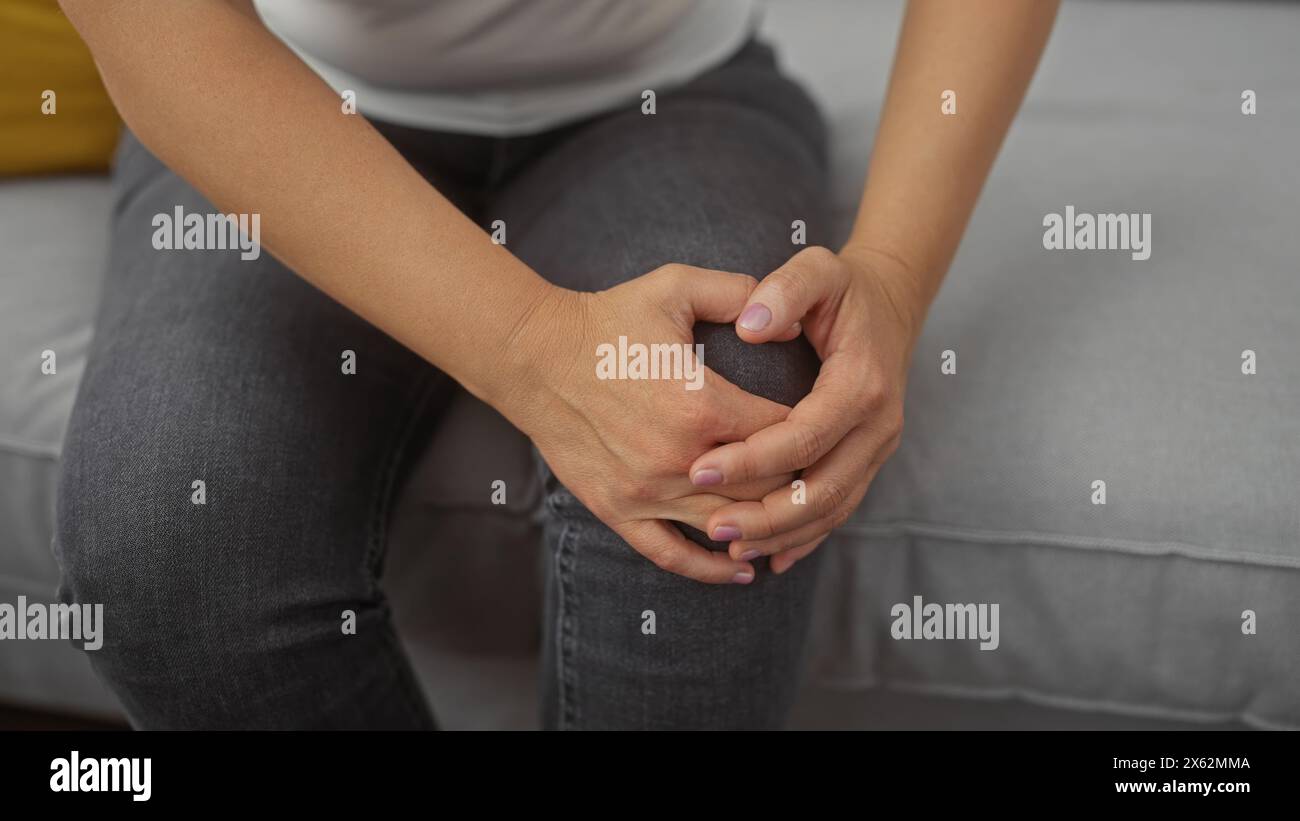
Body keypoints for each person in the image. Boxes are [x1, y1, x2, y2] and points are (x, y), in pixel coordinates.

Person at [54, 0, 1059, 729]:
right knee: (169, 535)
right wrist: (534, 348)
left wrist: (891, 276)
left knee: (727, 444)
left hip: (669, 100)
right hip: (279, 97)